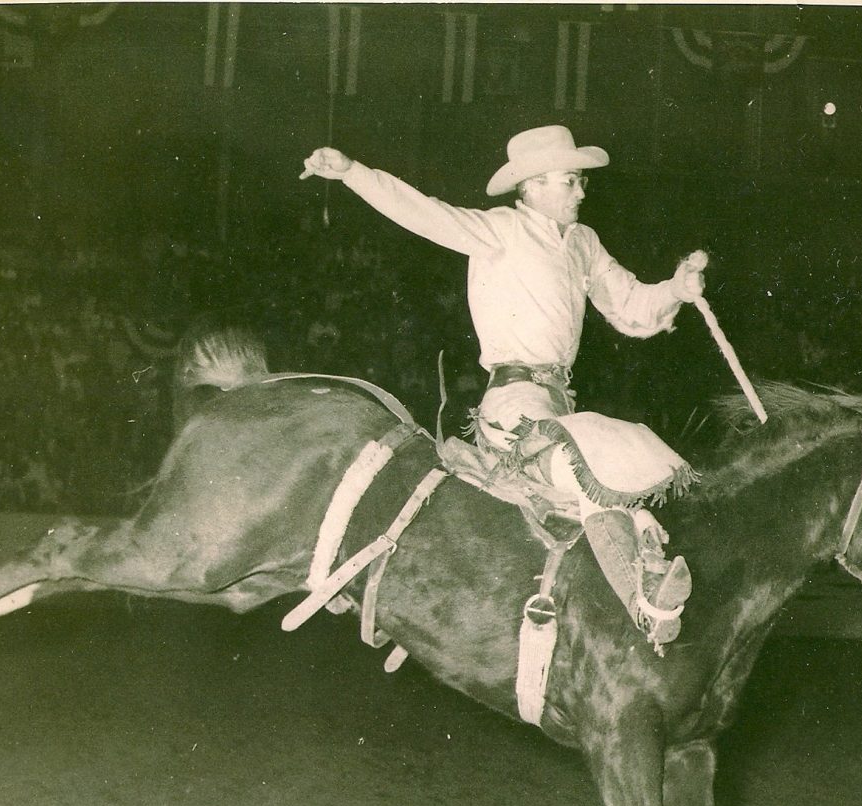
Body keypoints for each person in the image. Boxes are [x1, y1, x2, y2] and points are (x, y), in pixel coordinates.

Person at [301, 125, 709, 650]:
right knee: (587, 471)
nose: (582, 191)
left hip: (558, 399)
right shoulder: (501, 229)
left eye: (581, 181)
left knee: (616, 467)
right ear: (534, 185)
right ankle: (647, 606)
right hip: (514, 401)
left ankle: (639, 566)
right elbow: (422, 212)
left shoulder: (583, 243)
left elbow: (631, 307)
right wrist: (353, 172)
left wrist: (676, 287)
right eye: (572, 180)